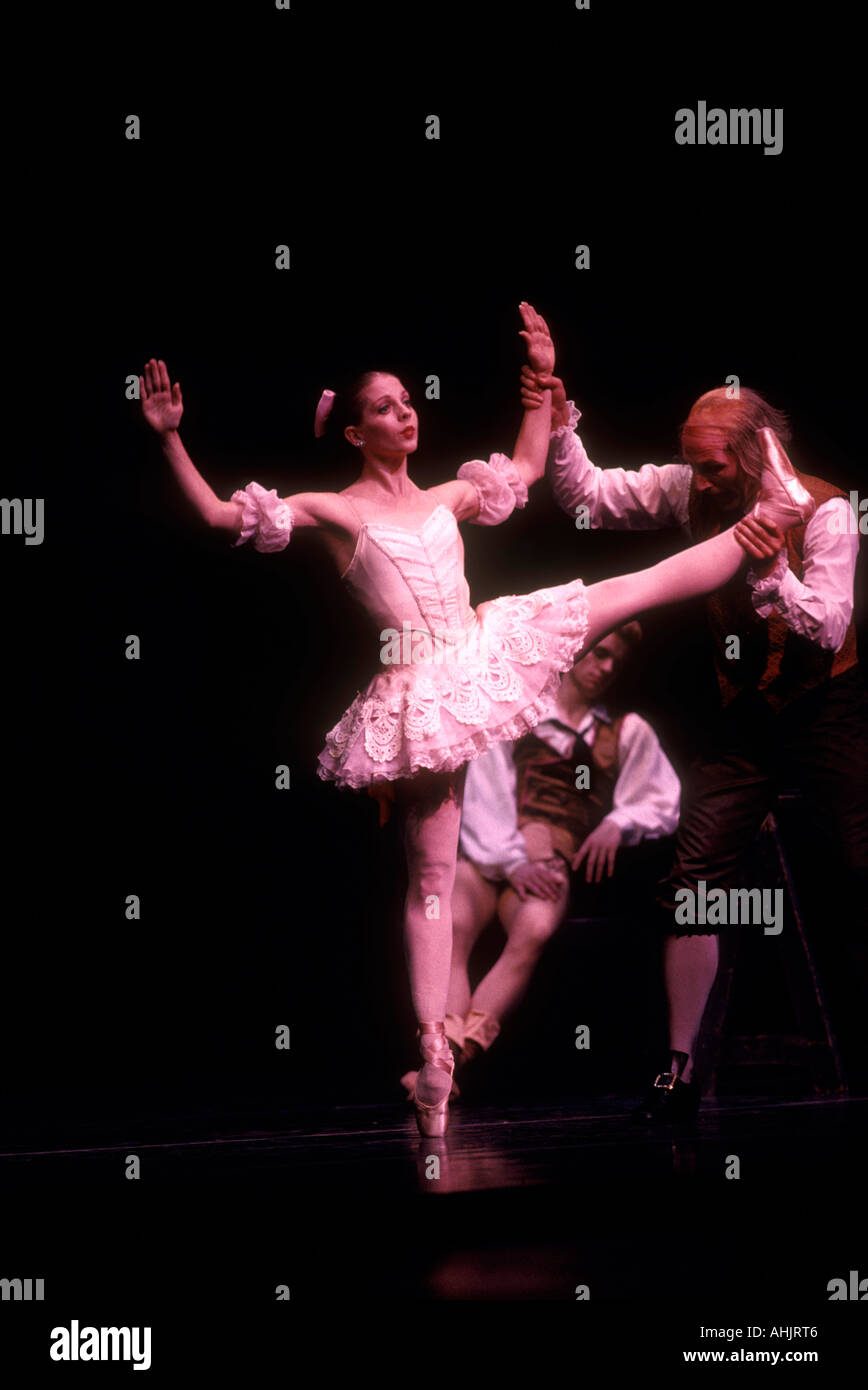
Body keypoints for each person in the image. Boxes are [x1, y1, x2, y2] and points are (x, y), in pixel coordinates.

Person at [138, 308, 814, 1138]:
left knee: (629, 589)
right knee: (428, 879)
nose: (405, 412)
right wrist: (170, 436)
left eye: (406, 402)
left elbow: (530, 466)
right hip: (420, 687)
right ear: (355, 430)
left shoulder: (447, 494)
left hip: (483, 642)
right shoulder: (337, 510)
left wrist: (540, 379)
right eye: (384, 407)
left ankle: (766, 519)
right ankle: (434, 1061)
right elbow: (216, 517)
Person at [520, 369, 866, 1118]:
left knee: (862, 860)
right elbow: (592, 496)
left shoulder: (828, 511)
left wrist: (773, 567)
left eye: (712, 464)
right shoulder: (695, 491)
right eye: (693, 462)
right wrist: (557, 422)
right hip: (745, 719)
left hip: (829, 707)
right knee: (692, 881)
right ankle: (678, 1070)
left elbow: (830, 626)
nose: (700, 480)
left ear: (754, 451)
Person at [397, 623, 679, 1100]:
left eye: (616, 661)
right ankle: (436, 1055)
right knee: (452, 918)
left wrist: (618, 822)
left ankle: (454, 1061)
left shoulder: (624, 730)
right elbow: (486, 793)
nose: (605, 668)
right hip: (496, 850)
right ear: (572, 655)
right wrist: (512, 859)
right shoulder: (520, 716)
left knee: (534, 927)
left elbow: (661, 798)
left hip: (550, 861)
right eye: (598, 654)